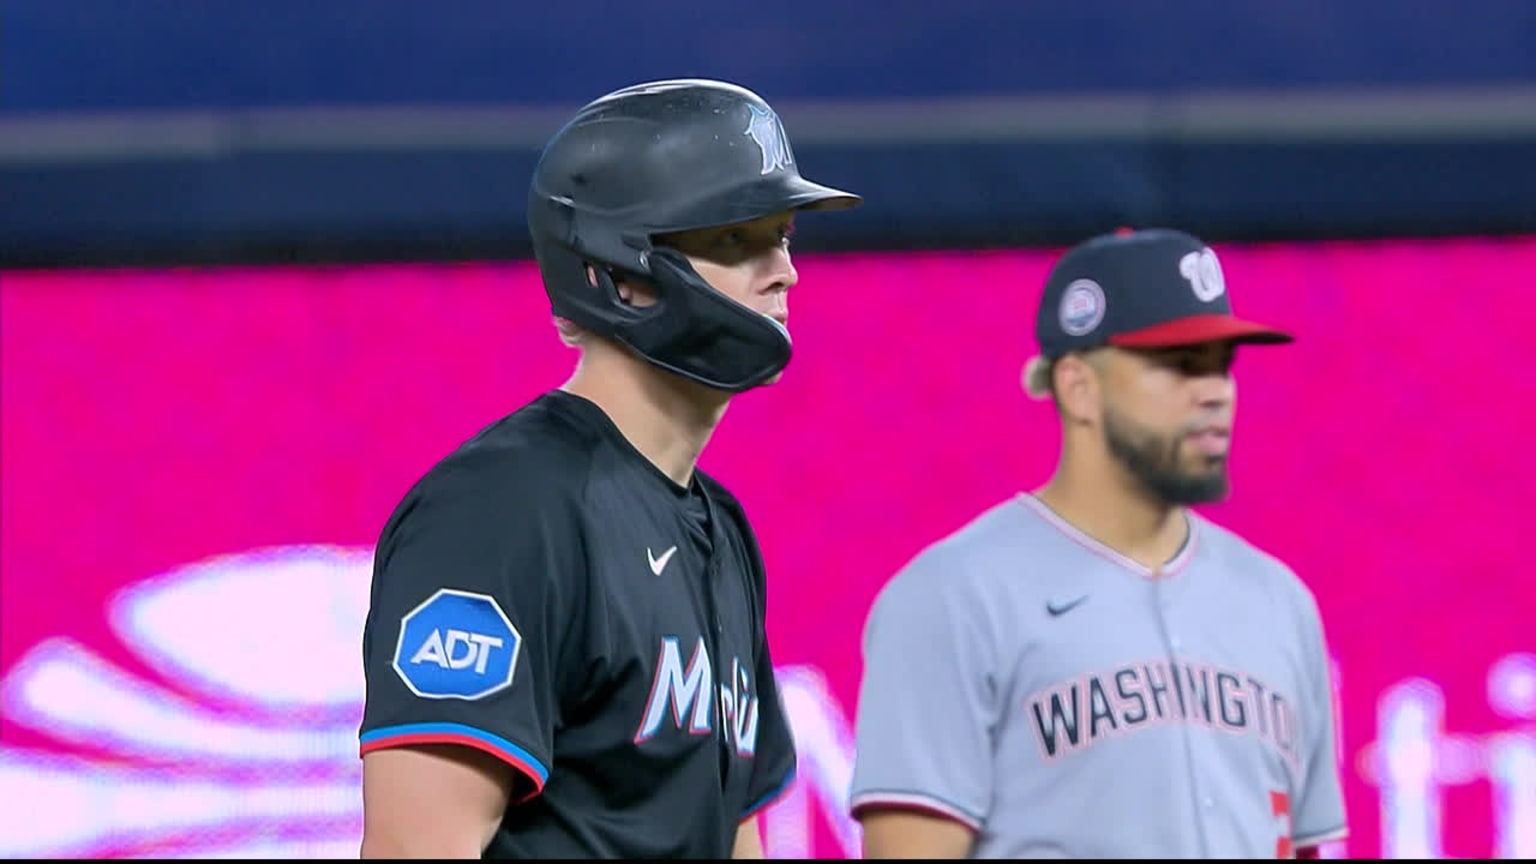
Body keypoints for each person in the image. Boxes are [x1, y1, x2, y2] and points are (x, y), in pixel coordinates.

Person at [355, 78, 861, 859]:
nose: (784, 270)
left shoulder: (719, 527)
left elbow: (735, 837)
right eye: (735, 239)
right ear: (621, 272)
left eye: (785, 233)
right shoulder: (503, 510)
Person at [847, 228, 1348, 859]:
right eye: (1179, 365)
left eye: (1224, 364)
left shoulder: (1280, 601)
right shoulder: (953, 596)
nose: (1216, 390)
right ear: (1078, 386)